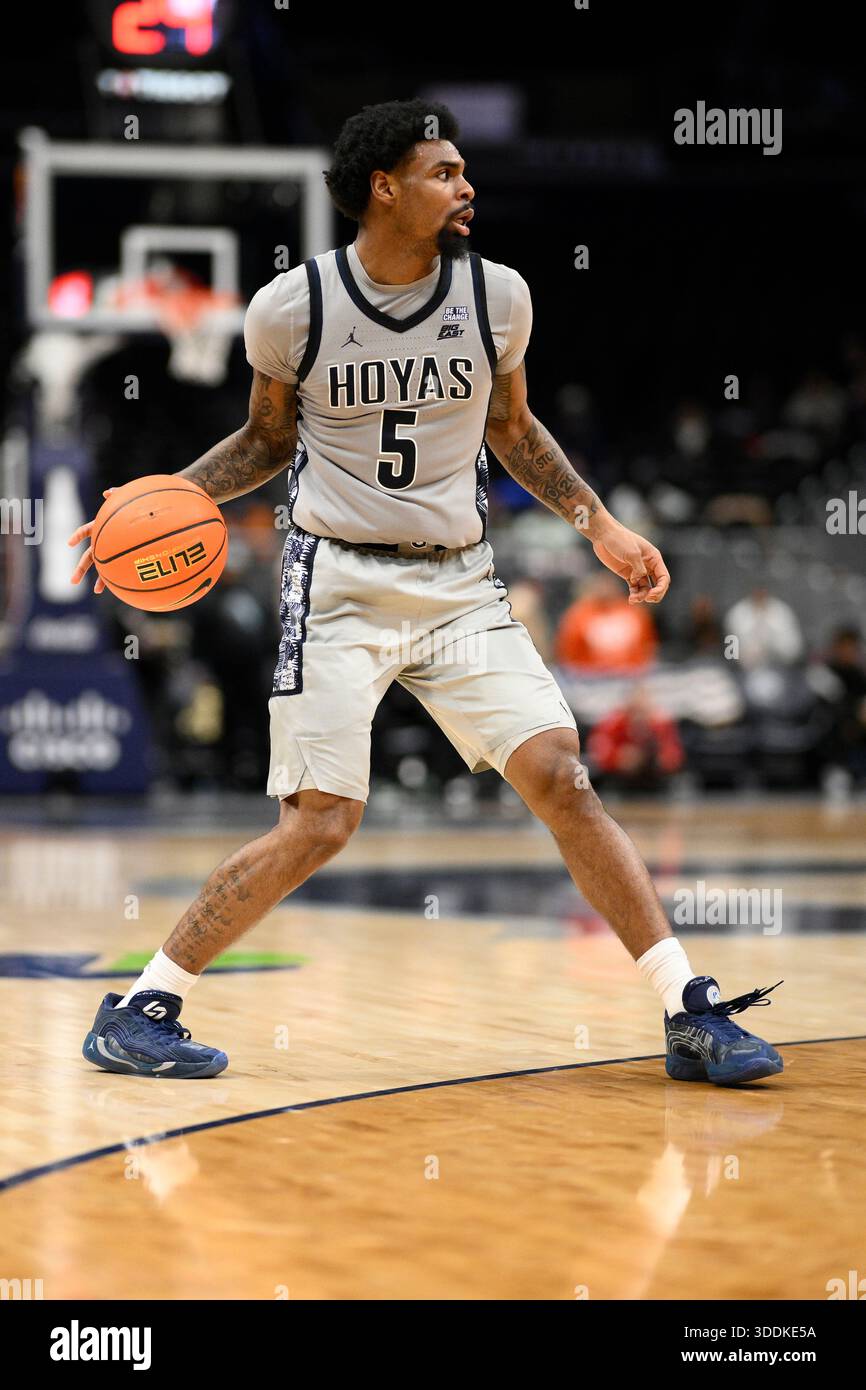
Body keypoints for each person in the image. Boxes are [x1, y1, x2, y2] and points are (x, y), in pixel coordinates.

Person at [68, 99, 782, 1087]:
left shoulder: (499, 297)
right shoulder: (292, 309)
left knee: (562, 777)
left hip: (458, 583)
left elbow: (514, 431)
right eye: (443, 171)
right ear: (383, 188)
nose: (465, 186)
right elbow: (267, 444)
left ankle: (685, 1009)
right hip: (337, 583)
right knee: (319, 823)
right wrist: (162, 502)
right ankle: (146, 1003)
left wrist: (601, 526)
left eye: (462, 170)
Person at [555, 571, 658, 672]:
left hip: (629, 675)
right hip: (590, 677)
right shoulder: (578, 614)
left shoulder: (635, 612)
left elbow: (647, 646)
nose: (605, 588)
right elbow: (568, 651)